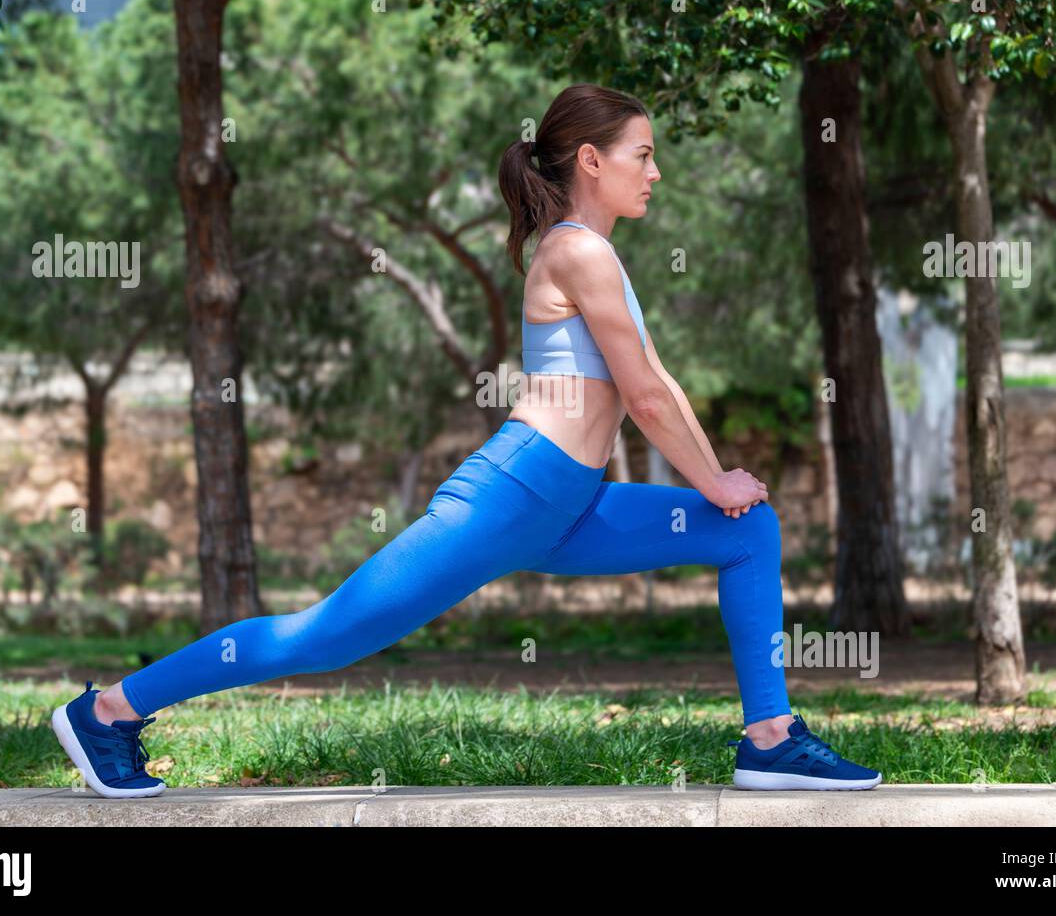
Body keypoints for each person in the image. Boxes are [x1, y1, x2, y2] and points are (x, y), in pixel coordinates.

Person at [51, 83, 881, 797]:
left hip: (567, 503)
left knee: (747, 529)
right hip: (517, 490)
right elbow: (642, 399)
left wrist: (717, 485)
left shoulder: (600, 256)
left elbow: (658, 384)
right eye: (642, 154)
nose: (655, 171)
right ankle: (108, 711)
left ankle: (770, 740)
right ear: (590, 160)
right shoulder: (575, 250)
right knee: (328, 634)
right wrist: (713, 477)